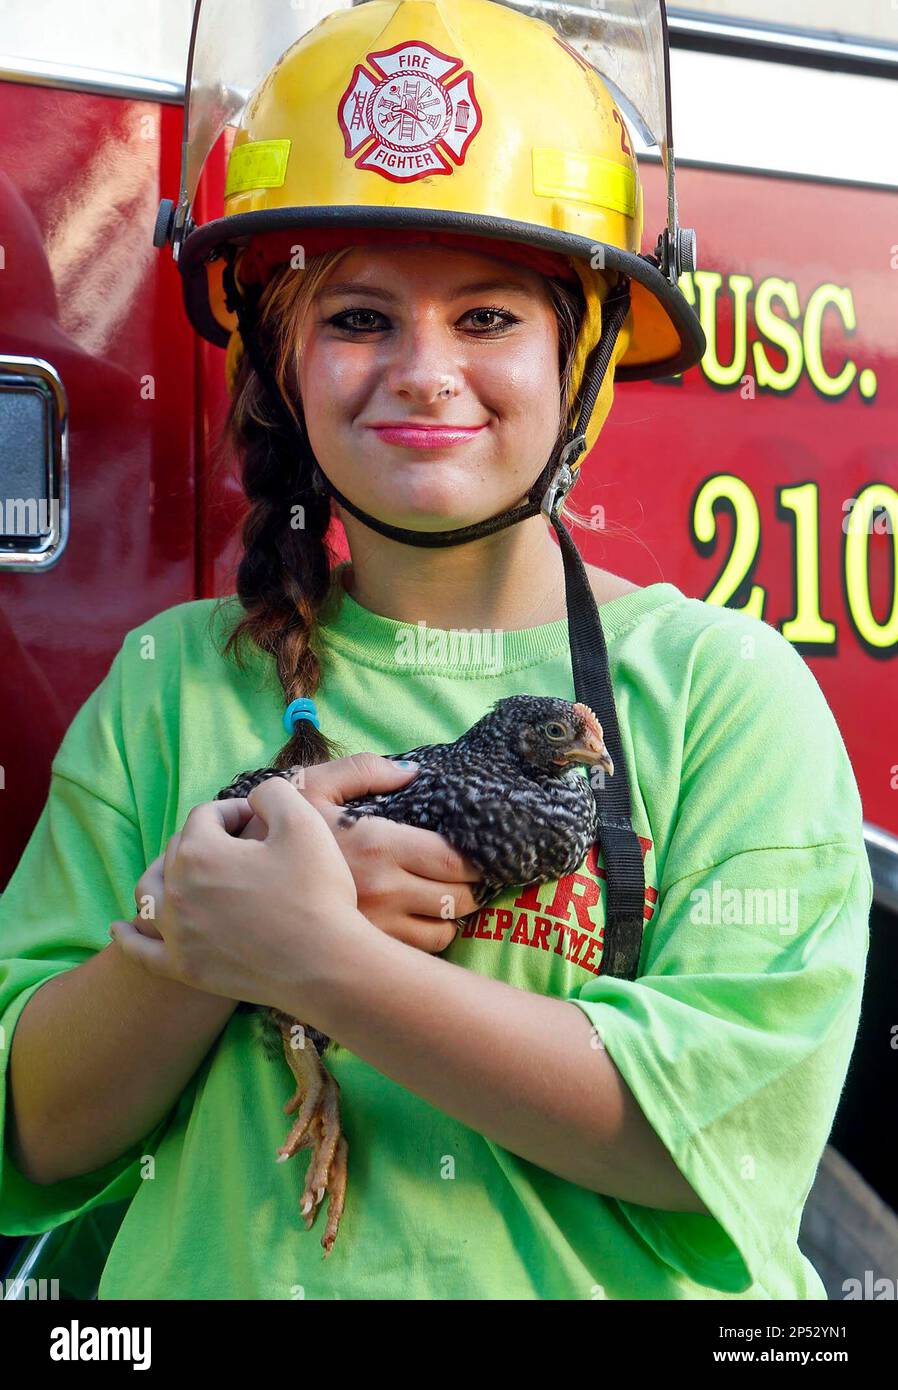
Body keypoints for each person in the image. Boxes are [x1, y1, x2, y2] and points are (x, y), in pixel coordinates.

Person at [0, 0, 871, 1300]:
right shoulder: (166, 684)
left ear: (580, 354)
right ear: (281, 361)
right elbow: (34, 1132)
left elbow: (713, 1142)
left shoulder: (723, 693)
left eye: (485, 319)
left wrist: (316, 960)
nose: (421, 371)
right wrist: (184, 941)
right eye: (356, 318)